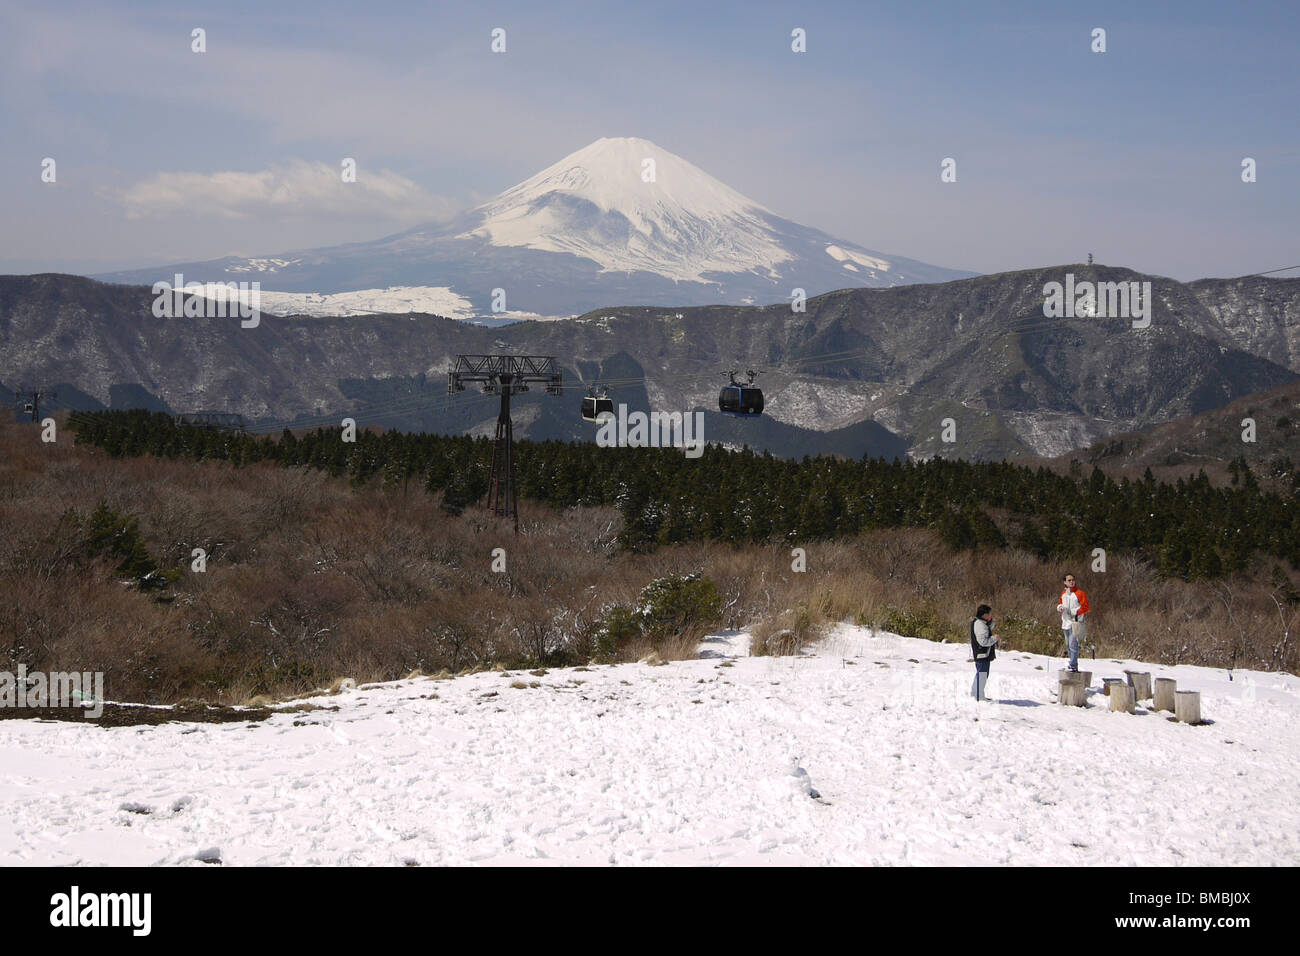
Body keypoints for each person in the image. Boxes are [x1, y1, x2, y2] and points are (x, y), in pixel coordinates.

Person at [1056, 573, 1090, 672]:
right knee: (1068, 644)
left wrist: (1074, 612)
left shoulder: (1080, 593)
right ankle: (1072, 663)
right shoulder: (1063, 593)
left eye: (1073, 580)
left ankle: (1073, 665)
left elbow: (1086, 607)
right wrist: (1060, 607)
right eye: (1069, 580)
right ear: (1065, 582)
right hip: (1065, 622)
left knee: (1073, 644)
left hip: (1075, 623)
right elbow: (1060, 603)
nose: (1072, 582)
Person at [970, 604, 999, 701]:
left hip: (982, 654)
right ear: (984, 615)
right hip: (982, 654)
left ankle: (975, 694)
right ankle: (979, 696)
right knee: (982, 675)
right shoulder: (980, 625)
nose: (992, 615)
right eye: (990, 614)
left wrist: (991, 622)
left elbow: (987, 628)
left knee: (980, 674)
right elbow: (983, 641)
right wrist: (994, 639)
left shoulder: (981, 623)